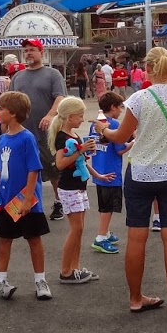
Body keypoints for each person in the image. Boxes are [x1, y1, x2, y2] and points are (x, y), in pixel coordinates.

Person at [95, 47, 167, 316]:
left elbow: (121, 137)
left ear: (148, 69)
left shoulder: (139, 98)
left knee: (136, 237)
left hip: (140, 172)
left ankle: (136, 298)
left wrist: (103, 128)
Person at [0, 91, 51, 301]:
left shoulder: (27, 138)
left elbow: (34, 169)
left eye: (2, 108)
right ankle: (0, 280)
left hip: (26, 200)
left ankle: (40, 280)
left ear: (13, 113)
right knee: (4, 240)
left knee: (34, 239)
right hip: (6, 201)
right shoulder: (2, 139)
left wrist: (27, 198)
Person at [10, 40, 68, 220]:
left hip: (46, 132)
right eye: (26, 51)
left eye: (32, 50)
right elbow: (9, 101)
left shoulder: (52, 74)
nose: (28, 53)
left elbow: (60, 97)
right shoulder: (17, 77)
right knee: (23, 170)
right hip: (22, 133)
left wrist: (50, 115)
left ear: (41, 52)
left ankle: (60, 202)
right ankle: (23, 204)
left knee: (53, 169)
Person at [50, 96, 99, 285]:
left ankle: (75, 268)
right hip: (69, 187)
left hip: (78, 186)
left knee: (79, 229)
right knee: (76, 229)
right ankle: (65, 270)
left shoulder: (73, 136)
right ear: (69, 117)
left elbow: (82, 162)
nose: (82, 119)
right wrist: (81, 150)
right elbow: (60, 164)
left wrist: (98, 175)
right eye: (80, 116)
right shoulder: (63, 138)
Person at [84, 91, 128, 254]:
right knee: (108, 207)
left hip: (99, 170)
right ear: (113, 107)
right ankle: (101, 237)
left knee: (103, 204)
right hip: (112, 172)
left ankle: (106, 232)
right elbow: (120, 150)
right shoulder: (114, 125)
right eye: (120, 107)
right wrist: (134, 143)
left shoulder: (95, 124)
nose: (121, 111)